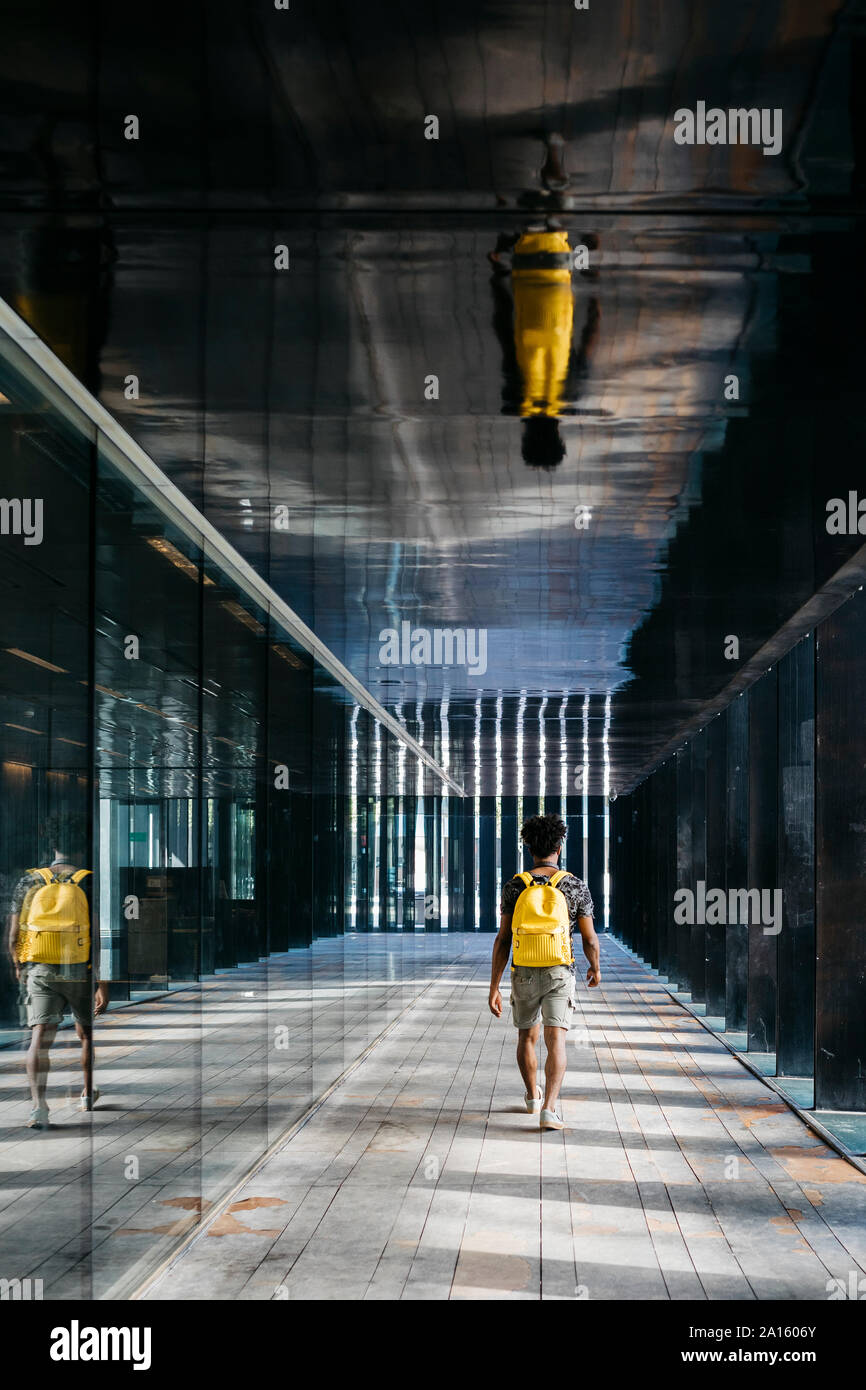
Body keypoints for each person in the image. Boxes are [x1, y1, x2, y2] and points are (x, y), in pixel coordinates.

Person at [488, 812, 600, 1131]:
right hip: (559, 970)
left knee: (526, 1036)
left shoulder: (515, 886)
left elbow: (503, 939)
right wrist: (595, 967)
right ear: (559, 847)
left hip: (523, 969)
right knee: (556, 1041)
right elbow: (590, 938)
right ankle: (550, 1109)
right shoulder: (574, 885)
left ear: (529, 848)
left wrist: (494, 986)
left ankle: (531, 1097)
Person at [5, 814, 108, 1129]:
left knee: (40, 1036)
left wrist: (19, 963)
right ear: (80, 846)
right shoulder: (88, 880)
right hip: (78, 967)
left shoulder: (30, 880)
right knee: (86, 1033)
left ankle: (39, 1107)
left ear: (52, 843)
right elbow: (96, 937)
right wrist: (100, 982)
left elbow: (13, 936)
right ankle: (87, 1094)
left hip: (41, 967)